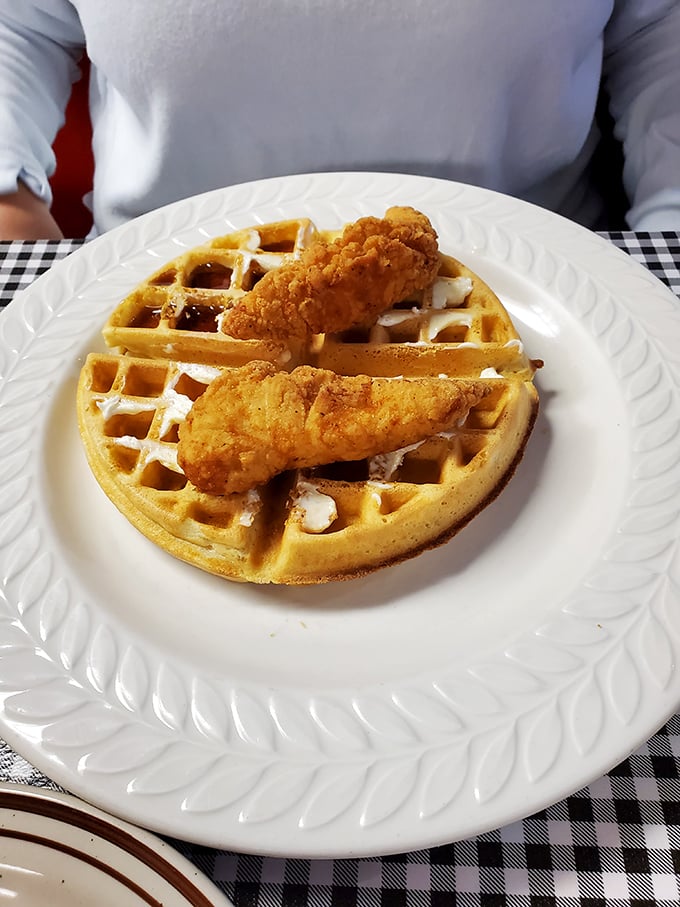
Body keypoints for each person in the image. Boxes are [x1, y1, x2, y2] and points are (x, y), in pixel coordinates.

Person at [1, 0, 679, 240]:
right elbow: (18, 23)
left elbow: (661, 34)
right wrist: (7, 192)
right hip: (154, 277)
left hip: (547, 283)